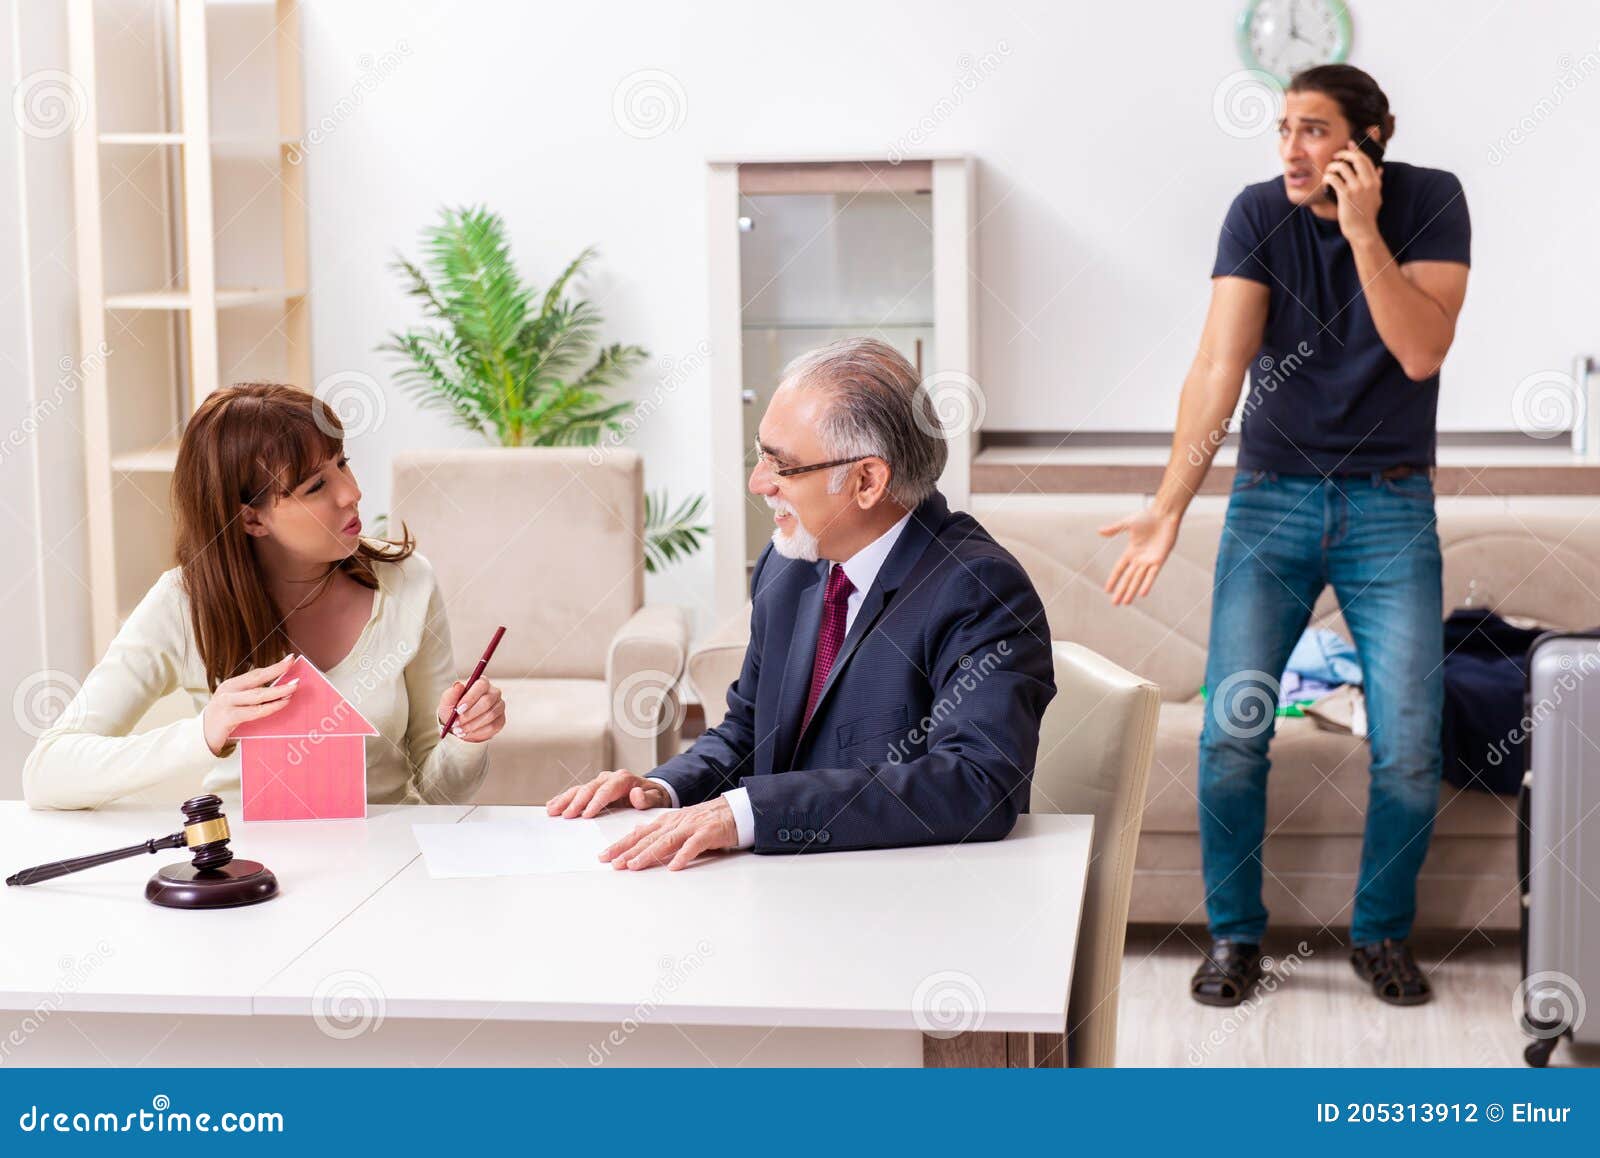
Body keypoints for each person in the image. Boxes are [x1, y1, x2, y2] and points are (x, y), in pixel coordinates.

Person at [1099, 65, 1470, 1007]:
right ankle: (1234, 939)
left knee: (1413, 748)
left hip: (1391, 506)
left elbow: (1420, 349)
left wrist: (1360, 232)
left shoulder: (1432, 202)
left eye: (1315, 131)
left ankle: (1379, 933)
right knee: (1232, 733)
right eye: (1283, 129)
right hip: (1272, 499)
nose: (1292, 151)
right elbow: (1219, 365)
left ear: (1371, 138)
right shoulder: (1255, 213)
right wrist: (1169, 503)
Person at [546, 337, 1056, 869]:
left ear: (866, 480)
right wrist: (663, 788)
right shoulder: (787, 565)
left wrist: (747, 814)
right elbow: (749, 729)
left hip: (905, 903)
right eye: (760, 454)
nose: (758, 482)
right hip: (785, 888)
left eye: (781, 465)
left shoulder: (979, 588)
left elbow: (976, 784)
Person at [23, 382, 503, 809]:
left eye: (343, 463)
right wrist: (207, 731)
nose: (351, 493)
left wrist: (465, 737)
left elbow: (442, 793)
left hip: (384, 869)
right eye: (316, 485)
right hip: (248, 875)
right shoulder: (183, 602)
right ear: (251, 519)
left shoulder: (408, 582)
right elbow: (47, 773)